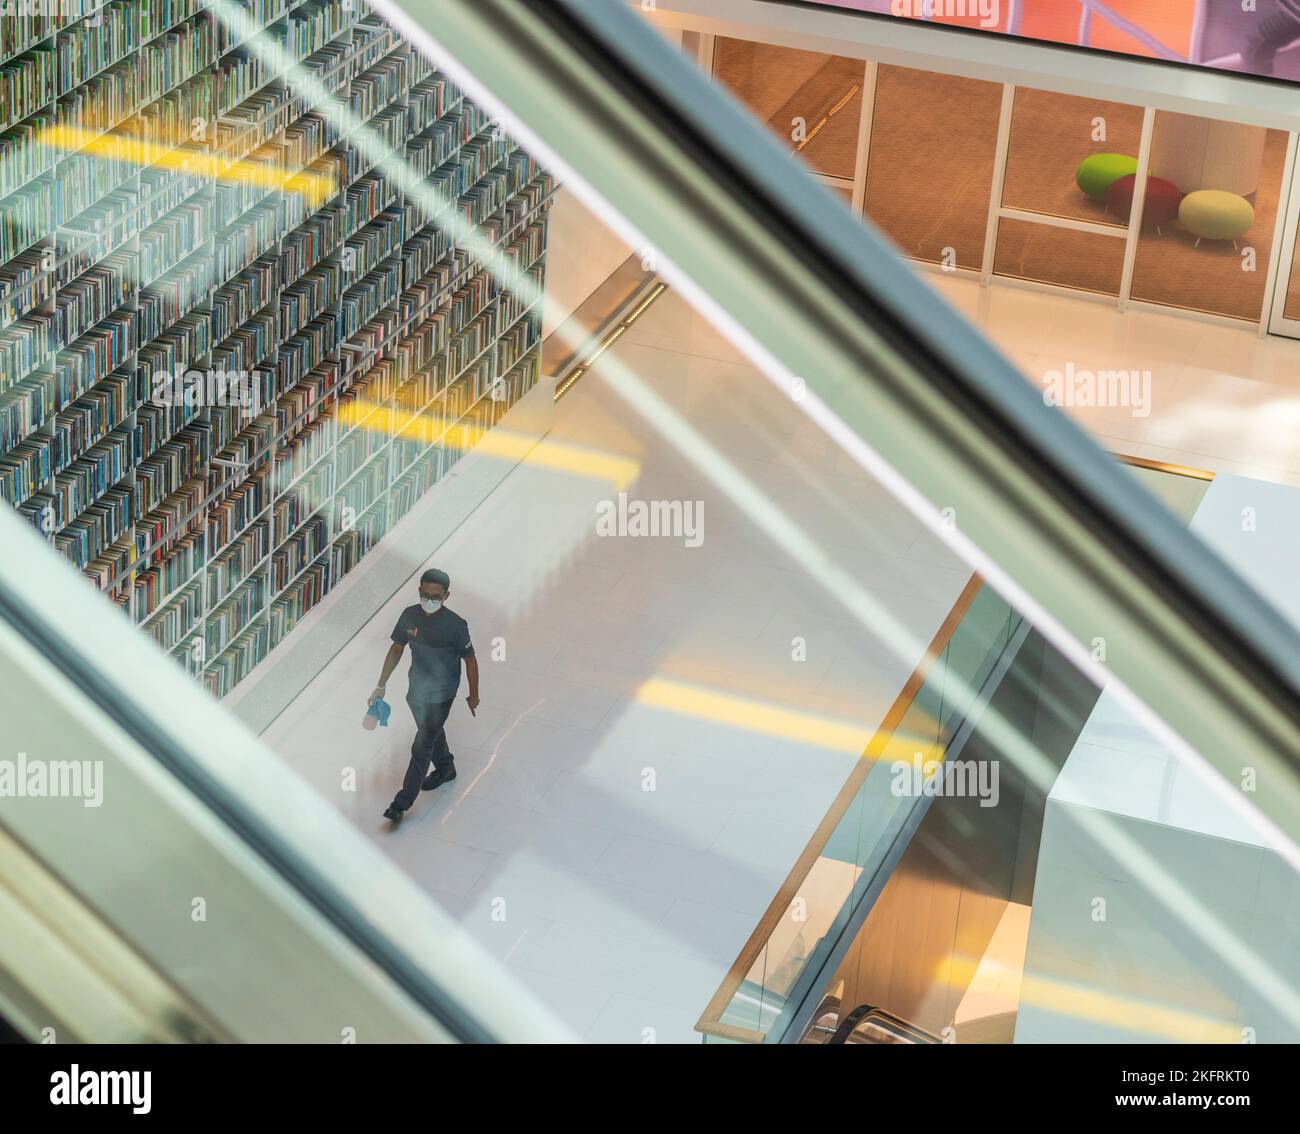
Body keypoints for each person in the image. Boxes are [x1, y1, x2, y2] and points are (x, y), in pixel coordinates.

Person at [371, 568, 478, 823]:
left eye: (435, 596)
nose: (429, 600)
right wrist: (381, 684)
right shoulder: (409, 616)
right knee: (431, 732)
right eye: (424, 594)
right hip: (416, 690)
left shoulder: (455, 625)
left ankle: (401, 803)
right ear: (419, 591)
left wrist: (473, 695)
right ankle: (446, 767)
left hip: (442, 695)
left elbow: (470, 660)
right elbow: (396, 649)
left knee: (422, 745)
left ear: (446, 596)